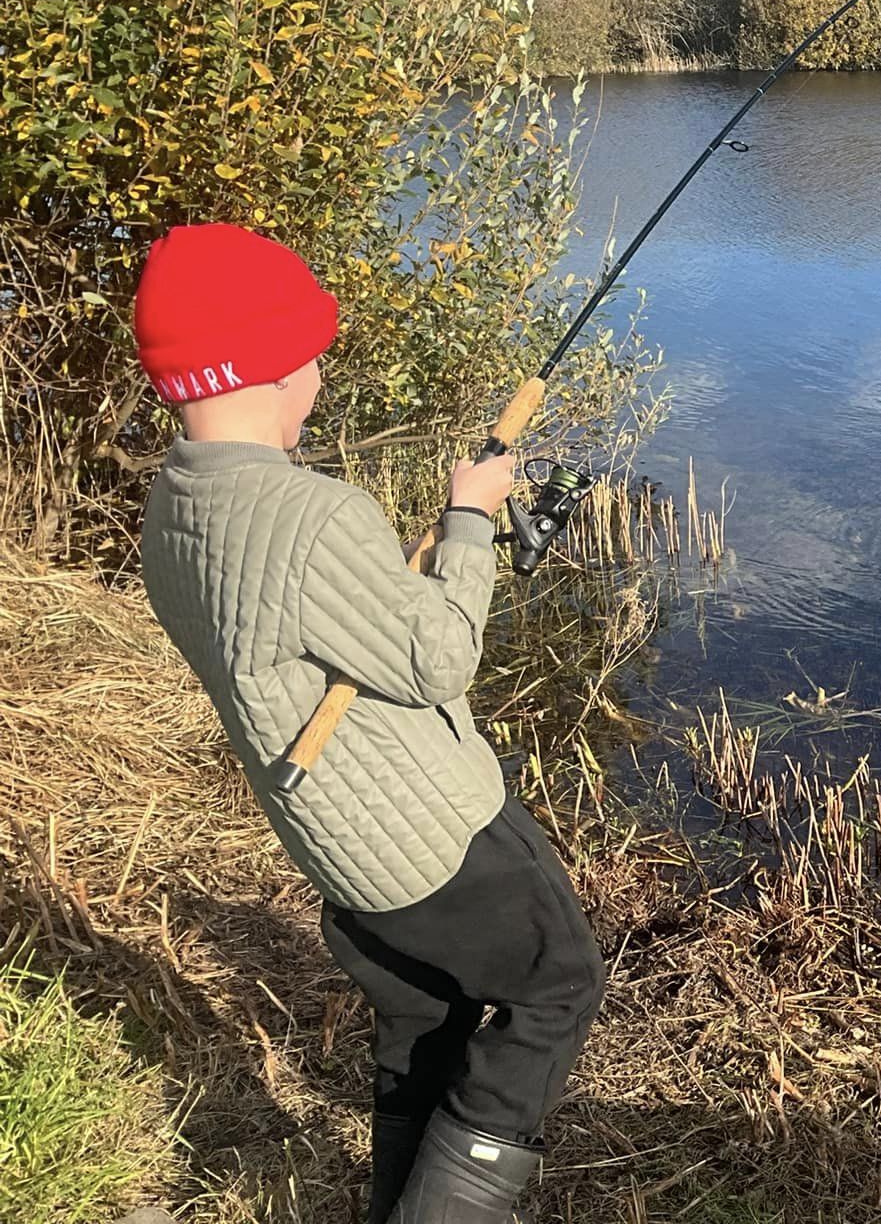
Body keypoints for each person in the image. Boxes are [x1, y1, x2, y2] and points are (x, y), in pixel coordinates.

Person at [133, 223, 605, 1223]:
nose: (317, 378)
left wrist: (385, 583)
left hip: (334, 848)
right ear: (269, 367)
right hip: (433, 834)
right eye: (311, 357)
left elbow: (299, 625)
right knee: (557, 985)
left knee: (423, 1023)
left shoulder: (173, 505)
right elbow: (440, 659)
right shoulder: (312, 515)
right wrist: (471, 517)